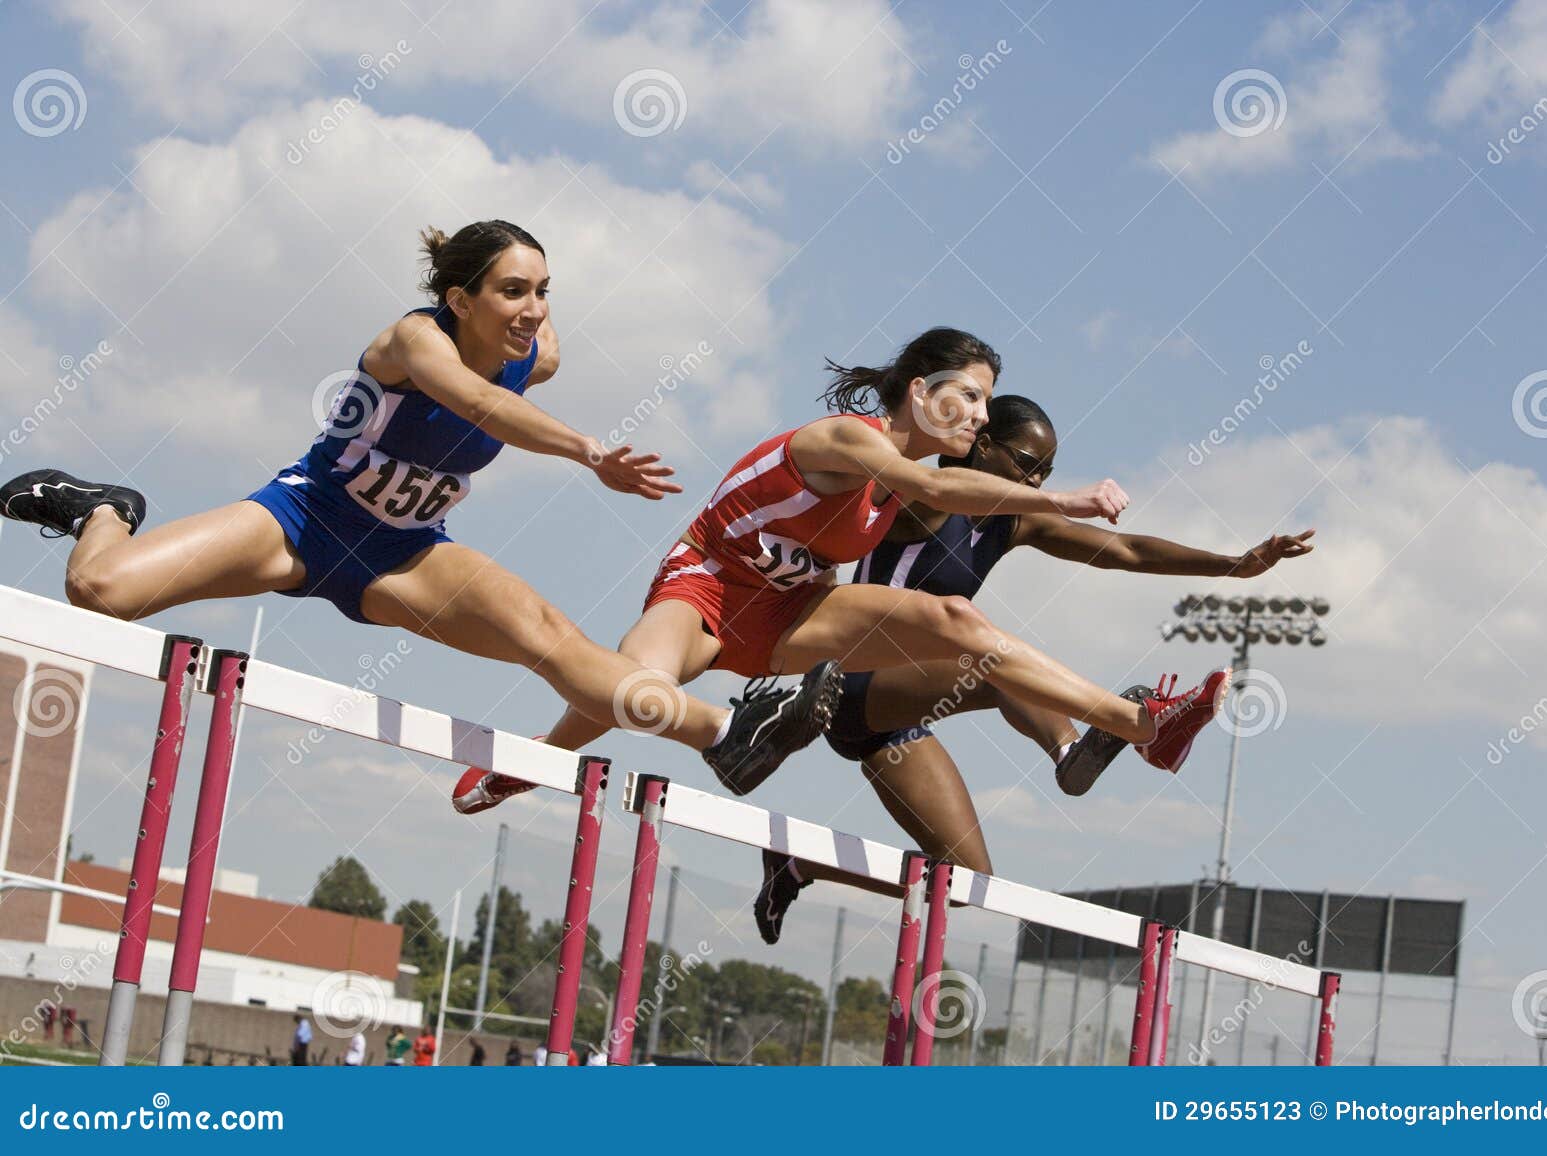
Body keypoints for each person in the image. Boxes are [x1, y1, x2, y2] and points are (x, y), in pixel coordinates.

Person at [0, 220, 841, 788]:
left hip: (406, 552)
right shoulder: (412, 340)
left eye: (543, 290)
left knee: (552, 643)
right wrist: (588, 450)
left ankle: (728, 733)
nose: (534, 310)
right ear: (459, 299)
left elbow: (519, 371)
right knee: (100, 593)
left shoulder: (535, 351)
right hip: (302, 520)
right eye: (513, 291)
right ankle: (102, 507)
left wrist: (535, 340)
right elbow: (477, 407)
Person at [454, 328, 1228, 816]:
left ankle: (1141, 727)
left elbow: (944, 491)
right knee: (632, 686)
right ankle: (532, 762)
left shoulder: (908, 470)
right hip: (708, 587)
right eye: (970, 396)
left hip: (797, 613)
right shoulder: (848, 440)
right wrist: (1066, 498)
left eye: (987, 405)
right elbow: (934, 487)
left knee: (955, 622)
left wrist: (1229, 561)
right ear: (919, 391)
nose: (981, 417)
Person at [753, 395, 1315, 941]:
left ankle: (799, 866)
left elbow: (1125, 551)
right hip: (852, 681)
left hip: (895, 721)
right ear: (983, 445)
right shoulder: (928, 500)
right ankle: (1086, 745)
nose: (1037, 484)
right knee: (988, 651)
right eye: (1027, 465)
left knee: (968, 881)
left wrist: (1234, 566)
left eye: (1046, 473)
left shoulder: (1015, 521)